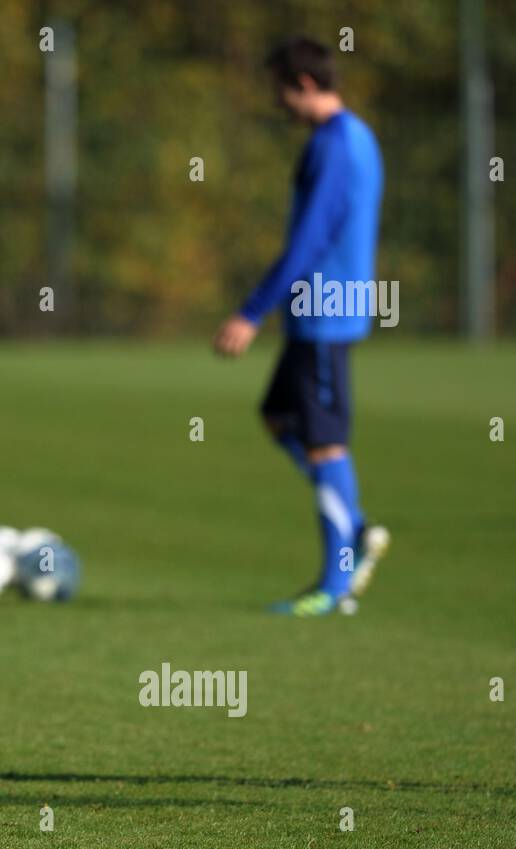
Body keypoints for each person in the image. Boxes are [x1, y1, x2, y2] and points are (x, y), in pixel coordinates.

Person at [213, 37, 389, 616]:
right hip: (322, 313)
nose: (278, 103)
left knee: (324, 443)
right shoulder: (355, 136)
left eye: (281, 91)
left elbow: (310, 241)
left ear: (305, 85)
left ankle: (337, 584)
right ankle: (356, 526)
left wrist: (252, 310)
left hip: (325, 317)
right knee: (279, 416)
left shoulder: (335, 145)